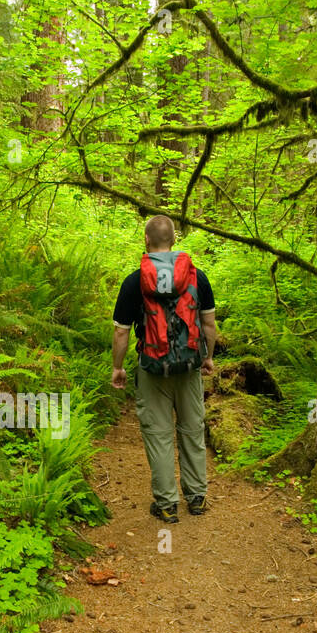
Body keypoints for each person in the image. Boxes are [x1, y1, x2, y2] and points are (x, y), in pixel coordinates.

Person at [110, 215, 217, 525]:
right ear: (174, 240)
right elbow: (208, 323)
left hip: (152, 368)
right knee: (192, 429)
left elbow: (121, 332)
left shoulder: (134, 281)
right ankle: (196, 498)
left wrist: (118, 368)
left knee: (158, 435)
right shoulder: (198, 277)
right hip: (188, 365)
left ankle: (168, 504)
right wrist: (208, 358)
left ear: (146, 240)